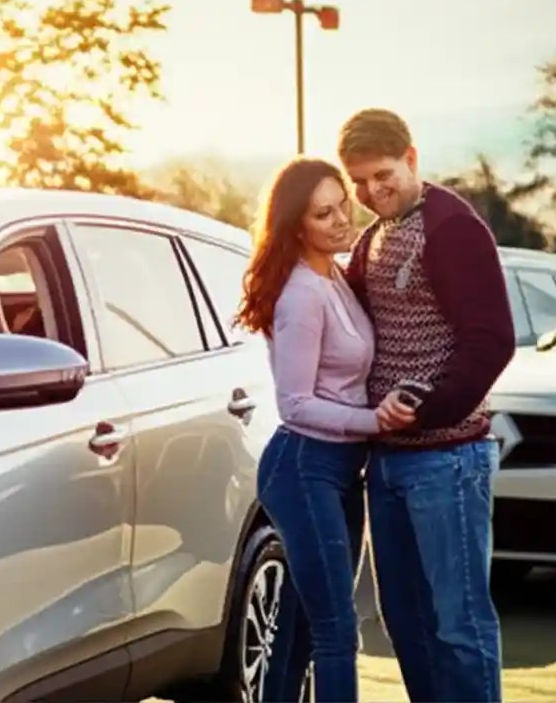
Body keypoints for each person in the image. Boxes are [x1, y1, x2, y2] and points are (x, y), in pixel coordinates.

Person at [339, 108, 515, 703]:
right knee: (406, 623)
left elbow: (492, 339)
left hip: (447, 458)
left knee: (458, 625)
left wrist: (430, 406)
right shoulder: (374, 235)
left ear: (411, 159)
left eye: (382, 174)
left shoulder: (451, 228)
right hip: (386, 460)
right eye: (359, 181)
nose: (371, 191)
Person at [234, 157, 414, 702]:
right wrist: (372, 420)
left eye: (342, 204)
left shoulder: (334, 275)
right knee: (338, 630)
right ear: (296, 227)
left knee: (303, 628)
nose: (341, 219)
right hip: (303, 467)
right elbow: (294, 405)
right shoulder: (301, 296)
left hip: (341, 467)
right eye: (323, 213)